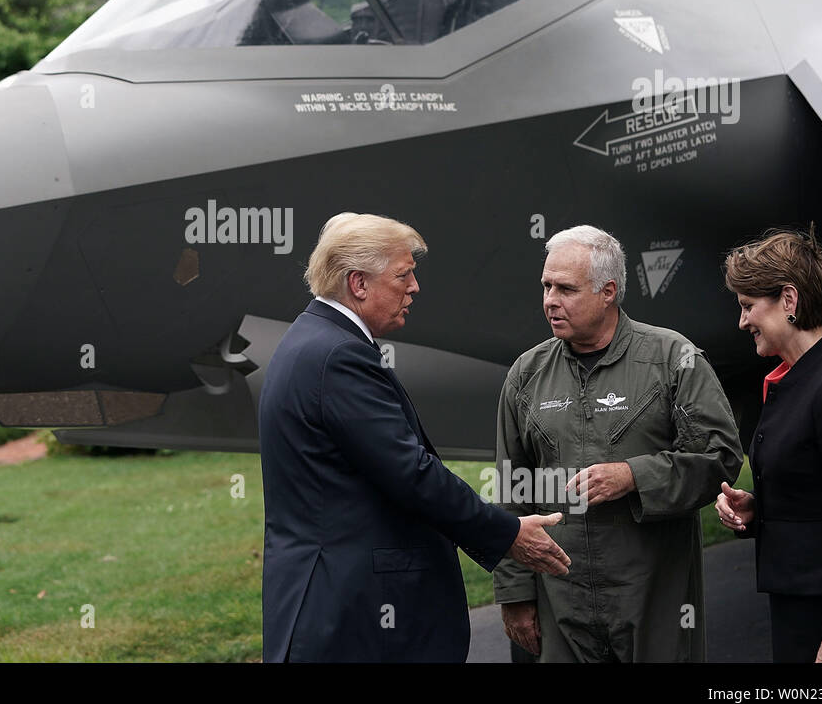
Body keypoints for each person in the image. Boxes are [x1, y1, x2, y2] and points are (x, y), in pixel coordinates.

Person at [259, 212, 571, 662]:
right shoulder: (339, 356)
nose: (414, 288)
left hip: (329, 607)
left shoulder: (310, 341)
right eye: (403, 275)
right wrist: (507, 533)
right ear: (358, 283)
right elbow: (411, 473)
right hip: (359, 617)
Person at [494, 224, 743, 662]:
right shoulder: (526, 375)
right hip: (561, 604)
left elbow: (719, 458)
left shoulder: (672, 360)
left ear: (608, 291)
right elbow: (513, 489)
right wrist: (515, 594)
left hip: (654, 599)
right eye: (547, 286)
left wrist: (634, 476)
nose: (550, 300)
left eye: (566, 289)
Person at [716, 227, 822, 662]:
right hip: (799, 603)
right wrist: (758, 508)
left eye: (748, 306)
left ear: (789, 301)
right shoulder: (801, 376)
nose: (742, 321)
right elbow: (817, 493)